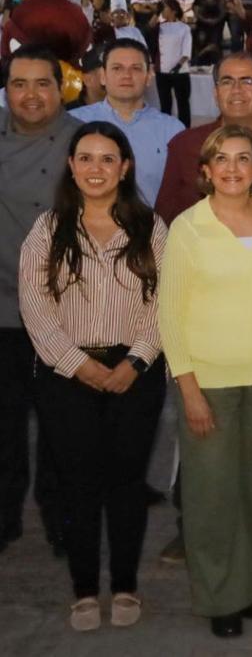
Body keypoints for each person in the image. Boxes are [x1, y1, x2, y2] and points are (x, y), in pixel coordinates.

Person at [18, 121, 165, 631]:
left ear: (124, 167)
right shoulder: (47, 230)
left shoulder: (151, 227)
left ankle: (124, 585)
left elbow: (163, 305)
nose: (95, 169)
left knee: (126, 484)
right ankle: (84, 590)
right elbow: (36, 309)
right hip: (65, 375)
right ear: (71, 165)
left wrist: (135, 362)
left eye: (107, 159)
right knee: (78, 485)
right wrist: (82, 367)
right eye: (86, 158)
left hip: (136, 373)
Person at [156, 125, 252, 638]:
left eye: (243, 159)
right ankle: (220, 595)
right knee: (213, 493)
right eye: (221, 160)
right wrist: (189, 388)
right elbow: (169, 315)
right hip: (208, 380)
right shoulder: (189, 228)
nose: (233, 168)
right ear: (206, 171)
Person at [0, 47, 82, 557]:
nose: (31, 95)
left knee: (64, 432)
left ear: (61, 87)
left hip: (66, 313)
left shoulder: (88, 143)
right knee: (3, 429)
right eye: (19, 84)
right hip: (2, 310)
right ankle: (4, 518)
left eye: (42, 84)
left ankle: (62, 521)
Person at [154, 51, 252, 224]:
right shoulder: (185, 145)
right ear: (216, 94)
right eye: (227, 82)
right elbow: (163, 218)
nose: (236, 90)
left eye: (247, 81)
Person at [71, 38, 184, 206]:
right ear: (103, 76)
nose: (126, 76)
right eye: (117, 68)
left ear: (148, 76)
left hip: (151, 228)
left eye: (136, 69)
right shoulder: (74, 122)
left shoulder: (172, 130)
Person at [155, 0, 193, 126]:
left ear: (174, 11)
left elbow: (186, 51)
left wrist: (178, 66)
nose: (163, 11)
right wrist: (156, 12)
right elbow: (147, 29)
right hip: (162, 72)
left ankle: (184, 130)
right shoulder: (160, 27)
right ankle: (166, 129)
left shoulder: (184, 28)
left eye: (165, 8)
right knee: (165, 104)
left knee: (183, 103)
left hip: (180, 71)